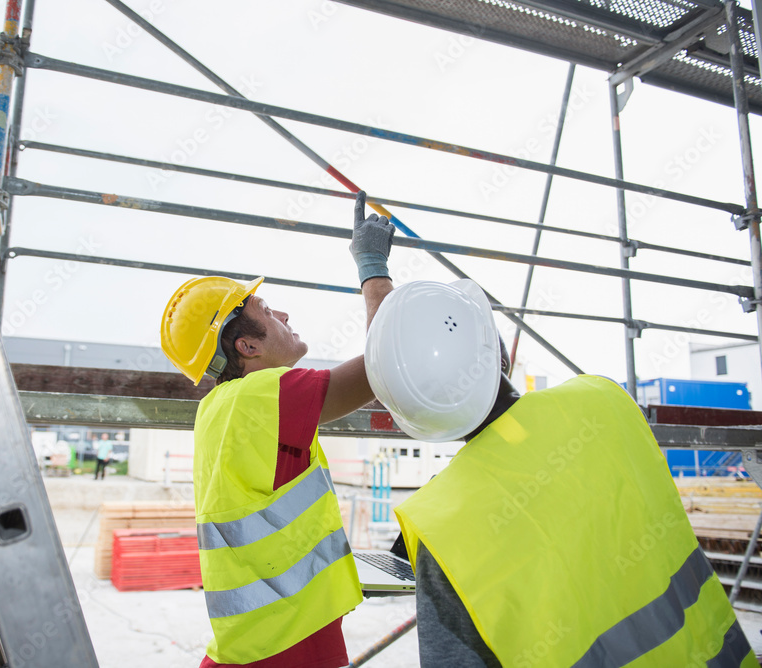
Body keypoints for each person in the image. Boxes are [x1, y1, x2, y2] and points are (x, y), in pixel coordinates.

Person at [363, 279, 755, 667]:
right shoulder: (606, 402)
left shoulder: (442, 527)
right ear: (499, 351)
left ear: (416, 420)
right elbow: (533, 457)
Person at [159, 192, 394, 668]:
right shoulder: (259, 396)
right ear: (247, 345)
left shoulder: (223, 408)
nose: (284, 315)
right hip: (285, 643)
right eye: (268, 310)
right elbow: (386, 365)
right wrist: (373, 268)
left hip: (265, 638)